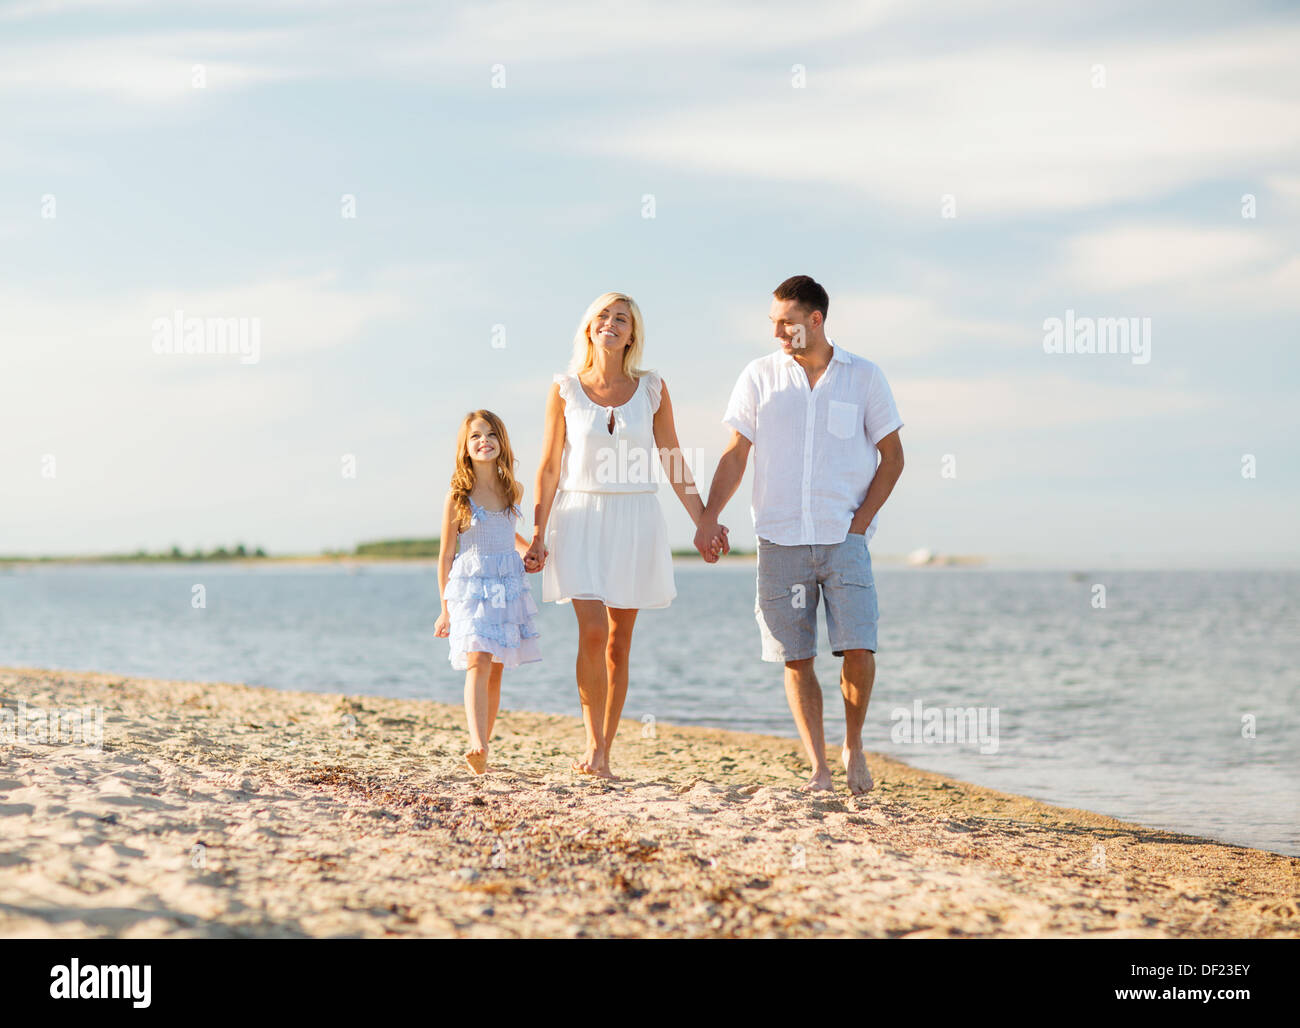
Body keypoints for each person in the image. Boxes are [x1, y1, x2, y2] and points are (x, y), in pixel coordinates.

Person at [696, 275, 904, 795]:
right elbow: (737, 452)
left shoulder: (864, 377)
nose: (777, 333)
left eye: (786, 322)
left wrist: (858, 526)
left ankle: (854, 746)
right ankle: (819, 767)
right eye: (773, 323)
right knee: (796, 656)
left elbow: (893, 458)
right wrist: (707, 516)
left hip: (844, 539)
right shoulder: (759, 376)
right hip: (779, 538)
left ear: (816, 320)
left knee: (859, 645)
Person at [527, 292, 727, 780]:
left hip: (635, 517)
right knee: (592, 630)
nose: (611, 324)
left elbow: (672, 457)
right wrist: (537, 532)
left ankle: (603, 752)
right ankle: (592, 742)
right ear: (589, 328)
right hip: (579, 515)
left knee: (619, 643)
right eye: (603, 316)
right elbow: (550, 465)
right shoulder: (565, 389)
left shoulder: (652, 388)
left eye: (622, 319)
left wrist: (703, 520)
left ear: (632, 333)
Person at [434, 409, 543, 775]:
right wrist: (445, 609)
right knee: (477, 660)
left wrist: (528, 548)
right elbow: (447, 554)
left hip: (505, 587)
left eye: (491, 434)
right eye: (476, 436)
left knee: (495, 668)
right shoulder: (458, 496)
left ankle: (484, 748)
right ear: (465, 448)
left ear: (502, 441)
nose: (484, 441)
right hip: (470, 589)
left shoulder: (514, 490)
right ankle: (476, 742)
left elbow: (505, 532)